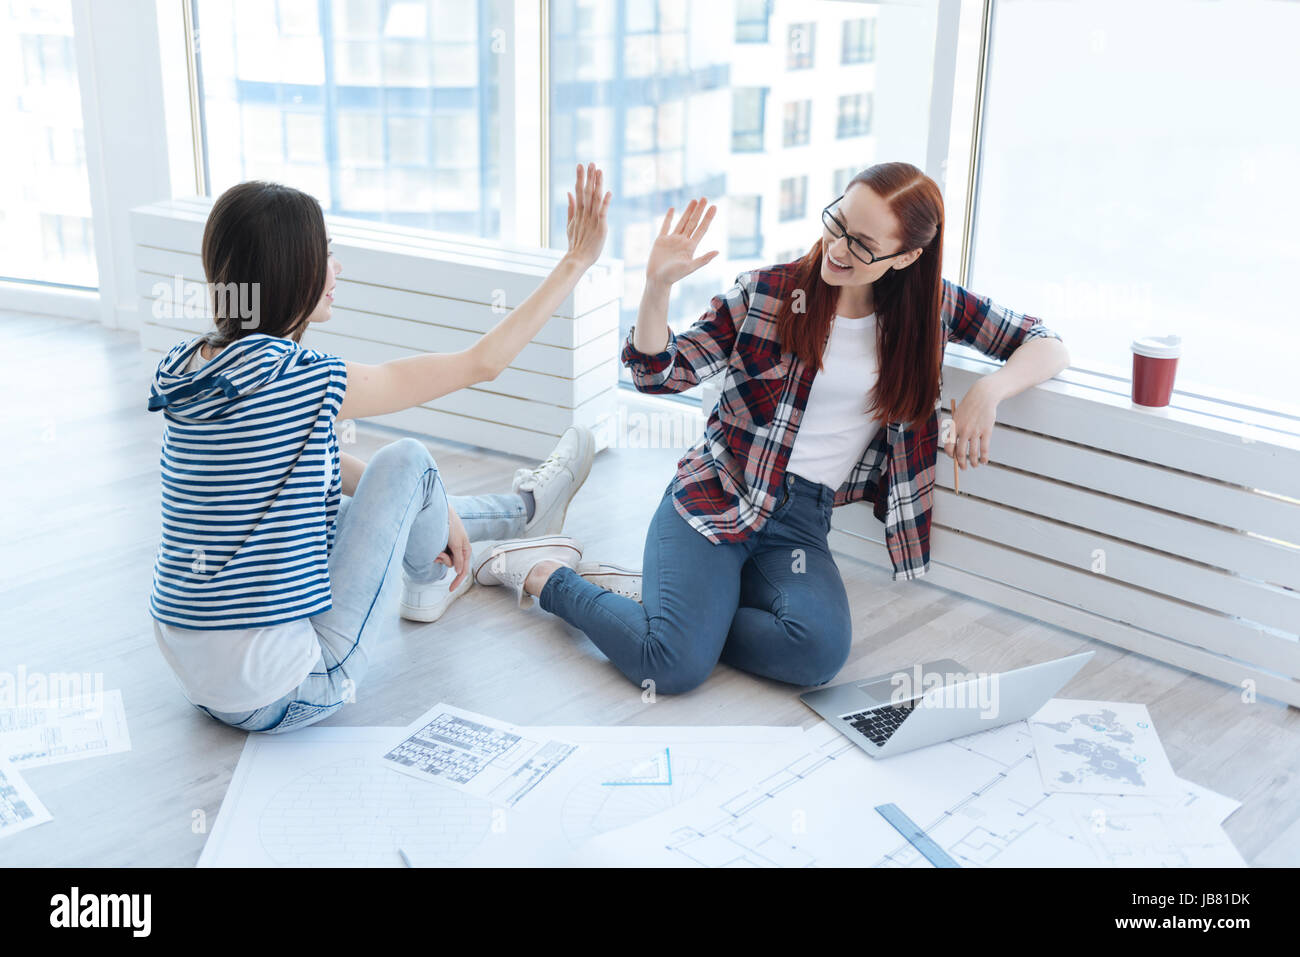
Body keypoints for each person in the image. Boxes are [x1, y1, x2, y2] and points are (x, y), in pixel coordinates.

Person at [475, 161, 1070, 695]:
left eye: (862, 244)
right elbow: (660, 375)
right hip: (714, 498)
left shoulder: (930, 309)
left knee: (817, 653)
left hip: (799, 525)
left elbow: (1044, 342)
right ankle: (543, 571)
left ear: (906, 257)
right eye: (837, 223)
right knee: (672, 668)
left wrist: (989, 391)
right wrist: (656, 288)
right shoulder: (768, 293)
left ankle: (672, 608)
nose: (837, 247)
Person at [147, 163, 610, 732]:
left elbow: (288, 465)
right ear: (290, 269)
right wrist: (575, 262)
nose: (335, 267)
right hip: (289, 688)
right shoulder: (297, 376)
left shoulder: (192, 370)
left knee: (384, 488)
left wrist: (426, 505)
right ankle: (433, 580)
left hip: (199, 679)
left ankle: (524, 513)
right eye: (325, 252)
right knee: (410, 459)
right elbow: (482, 363)